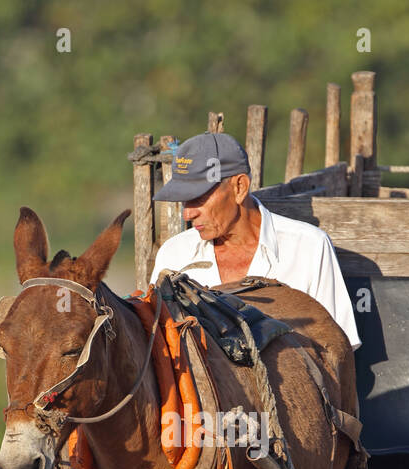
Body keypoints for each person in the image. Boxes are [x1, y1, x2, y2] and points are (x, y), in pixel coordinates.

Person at [150, 132, 361, 350]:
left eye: (199, 198)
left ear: (239, 187)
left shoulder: (309, 248)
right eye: (185, 201)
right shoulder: (174, 255)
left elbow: (338, 350)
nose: (187, 214)